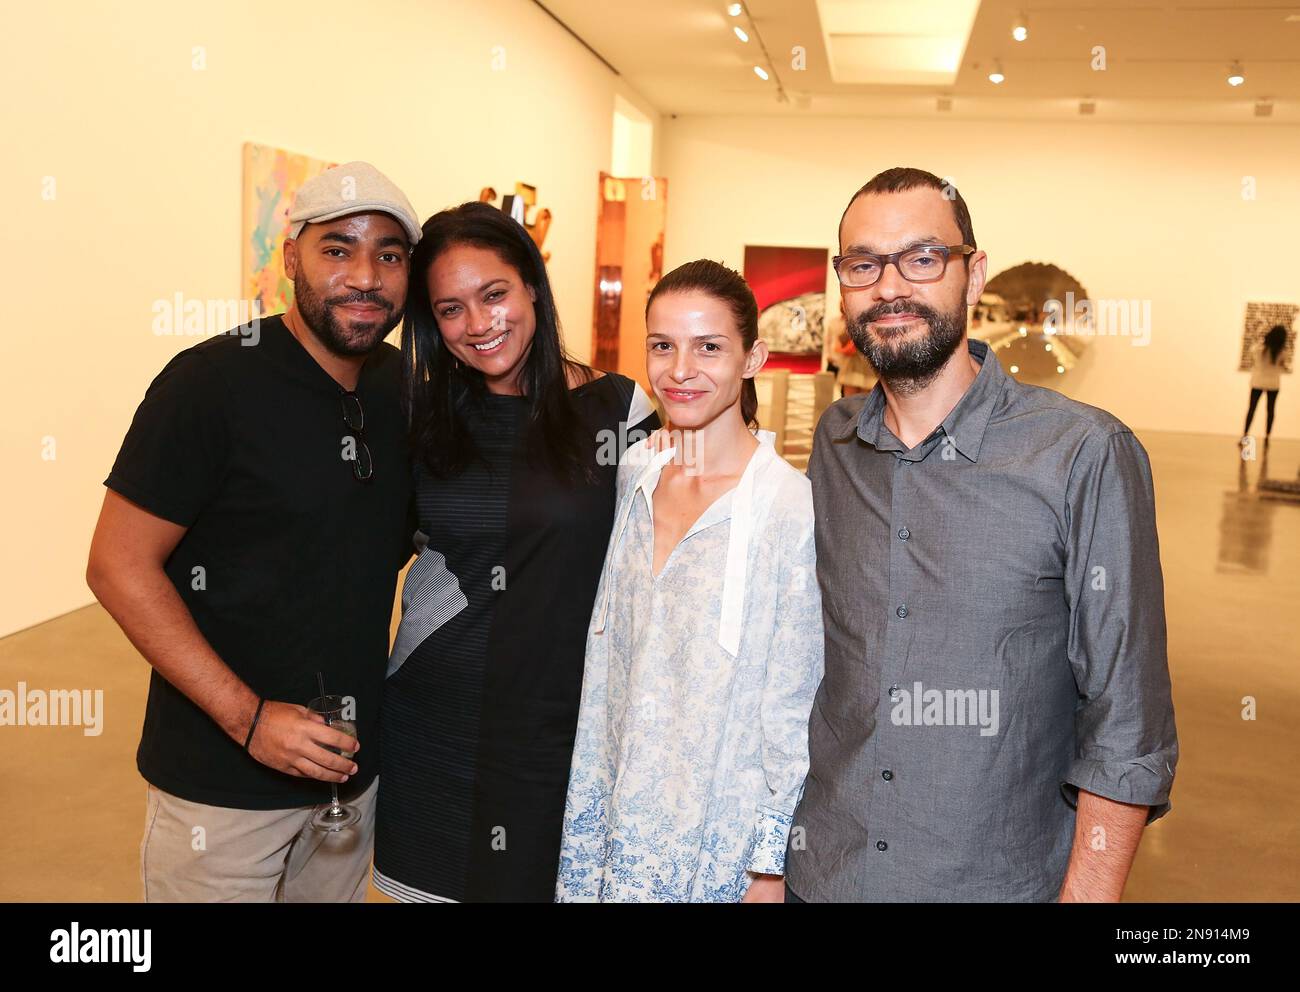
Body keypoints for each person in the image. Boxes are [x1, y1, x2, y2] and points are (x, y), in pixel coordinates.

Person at [786, 167, 1178, 903]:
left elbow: (1128, 724)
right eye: (863, 264)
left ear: (974, 275)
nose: (890, 286)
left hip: (989, 883)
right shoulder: (834, 445)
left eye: (923, 258)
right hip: (827, 875)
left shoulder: (1082, 454)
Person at [86, 162, 421, 901]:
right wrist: (250, 720)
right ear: (289, 254)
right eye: (338, 249)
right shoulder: (208, 386)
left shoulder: (403, 390)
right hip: (221, 791)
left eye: (390, 255)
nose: (366, 275)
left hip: (347, 787)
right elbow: (117, 565)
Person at [373, 202, 660, 903]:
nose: (479, 324)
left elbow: (661, 573)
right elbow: (359, 553)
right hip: (435, 722)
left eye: (494, 294)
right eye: (450, 308)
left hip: (561, 734)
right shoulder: (421, 415)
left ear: (531, 284)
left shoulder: (619, 412)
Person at [556, 260, 823, 903]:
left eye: (709, 347)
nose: (681, 370)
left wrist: (769, 868)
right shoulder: (633, 470)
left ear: (752, 358)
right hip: (608, 815)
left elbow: (793, 701)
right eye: (662, 345)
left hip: (712, 845)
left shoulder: (788, 508)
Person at [1242, 324, 1288, 445]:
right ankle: (1267, 438)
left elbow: (1253, 357)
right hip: (1273, 384)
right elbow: (1284, 366)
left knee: (1252, 409)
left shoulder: (1259, 348)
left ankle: (1245, 436)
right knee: (1270, 411)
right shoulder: (1282, 352)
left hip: (1258, 382)